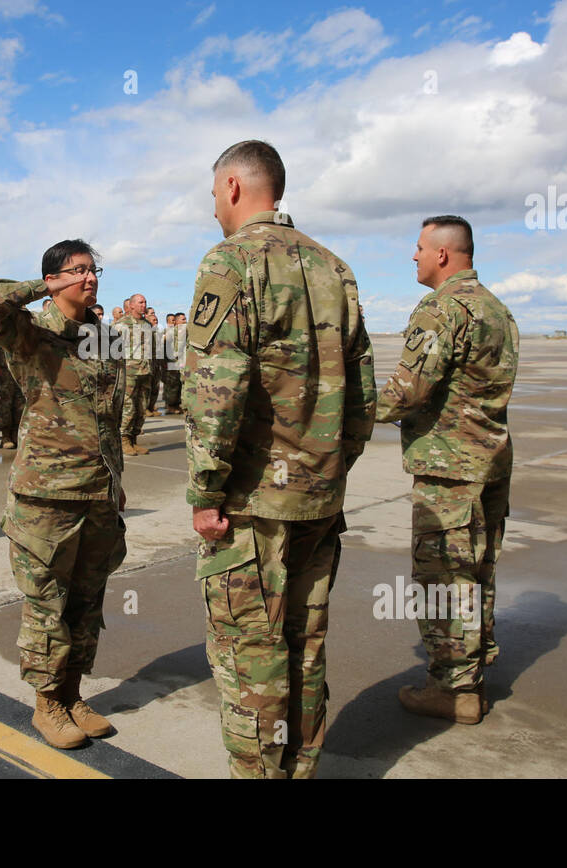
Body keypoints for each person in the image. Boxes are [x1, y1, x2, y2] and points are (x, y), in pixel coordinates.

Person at [185, 139, 376, 778]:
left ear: (234, 187)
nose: (214, 205)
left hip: (254, 503)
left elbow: (218, 390)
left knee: (249, 652)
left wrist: (206, 492)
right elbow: (363, 396)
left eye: (215, 192)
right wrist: (329, 469)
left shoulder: (231, 263)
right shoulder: (334, 268)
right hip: (318, 498)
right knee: (304, 646)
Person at [0, 241, 127, 750]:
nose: (89, 278)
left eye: (92, 269)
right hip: (47, 495)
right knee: (46, 606)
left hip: (97, 491)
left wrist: (116, 483)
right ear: (53, 278)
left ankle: (73, 692)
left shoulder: (105, 337)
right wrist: (40, 289)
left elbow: (109, 417)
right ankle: (47, 703)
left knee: (86, 602)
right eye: (75, 271)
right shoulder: (31, 334)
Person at [376, 215, 519, 725]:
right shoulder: (496, 309)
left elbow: (407, 390)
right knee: (478, 571)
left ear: (442, 254)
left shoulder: (442, 310)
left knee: (442, 576)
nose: (412, 256)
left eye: (418, 248)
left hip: (449, 470)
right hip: (489, 462)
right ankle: (473, 670)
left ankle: (454, 689)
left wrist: (343, 411)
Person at [113, 293, 153, 455]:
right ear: (131, 306)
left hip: (146, 370)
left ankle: (134, 439)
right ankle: (123, 440)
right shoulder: (120, 325)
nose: (143, 305)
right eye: (140, 302)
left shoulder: (148, 325)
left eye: (145, 302)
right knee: (128, 407)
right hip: (129, 372)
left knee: (142, 407)